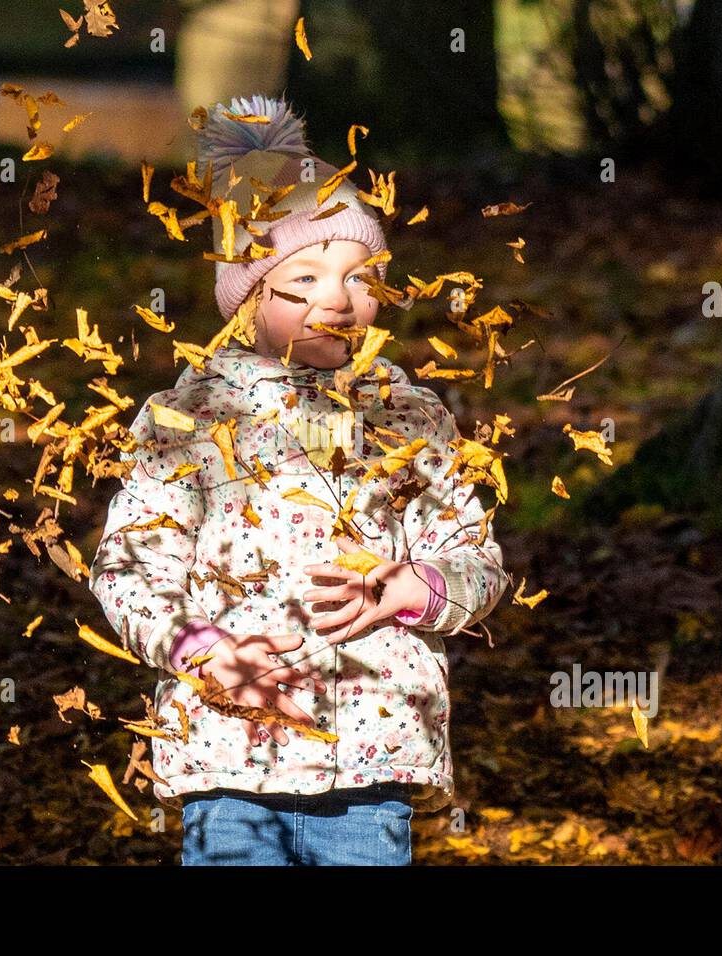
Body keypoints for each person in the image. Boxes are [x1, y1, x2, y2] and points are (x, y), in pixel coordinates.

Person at [90, 94, 510, 865]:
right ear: (245, 299)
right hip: (227, 757)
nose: (336, 301)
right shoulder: (189, 417)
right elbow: (128, 566)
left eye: (359, 277)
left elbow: (477, 560)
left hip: (371, 759)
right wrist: (199, 649)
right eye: (304, 277)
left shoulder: (407, 418)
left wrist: (413, 587)